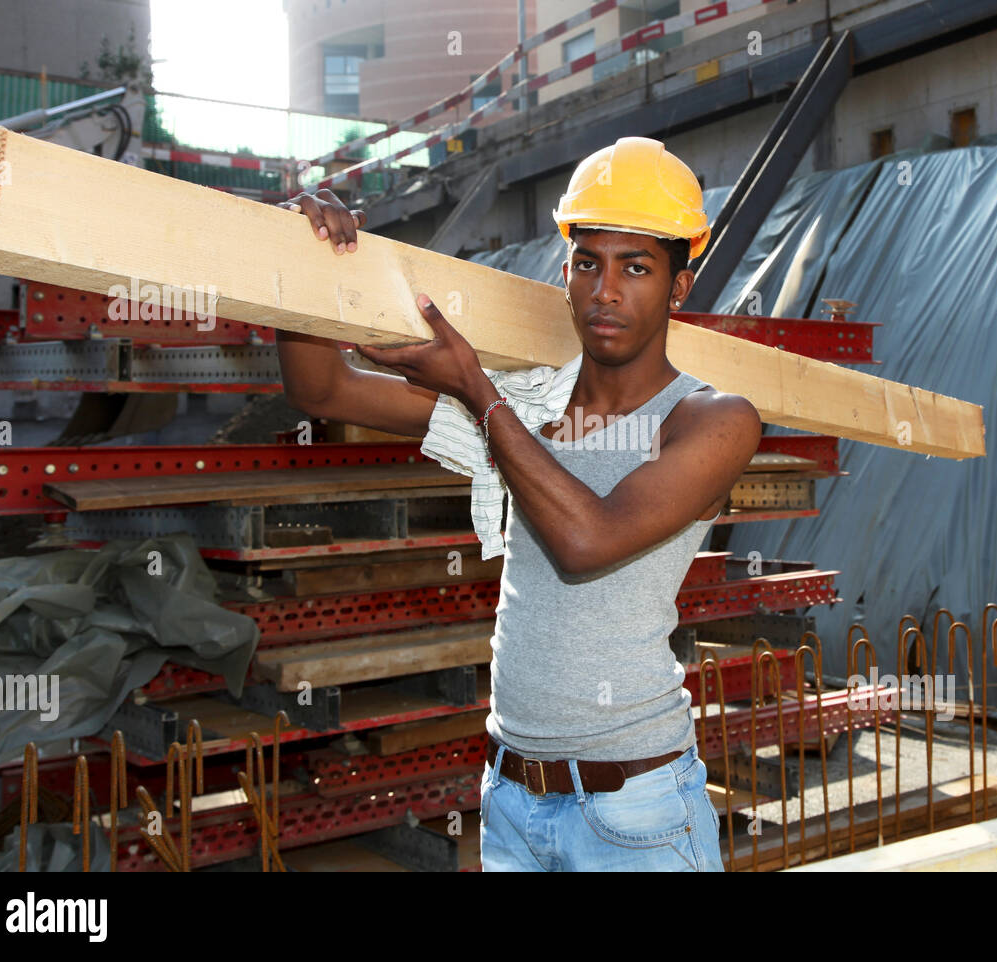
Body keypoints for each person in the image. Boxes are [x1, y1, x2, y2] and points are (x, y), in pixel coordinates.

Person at [276, 136, 762, 871]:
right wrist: (299, 262)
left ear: (678, 288)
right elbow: (325, 390)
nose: (606, 290)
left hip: (636, 812)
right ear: (565, 273)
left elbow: (587, 541)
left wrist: (476, 390)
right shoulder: (529, 403)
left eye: (636, 268)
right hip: (511, 802)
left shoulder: (710, 419)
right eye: (589, 263)